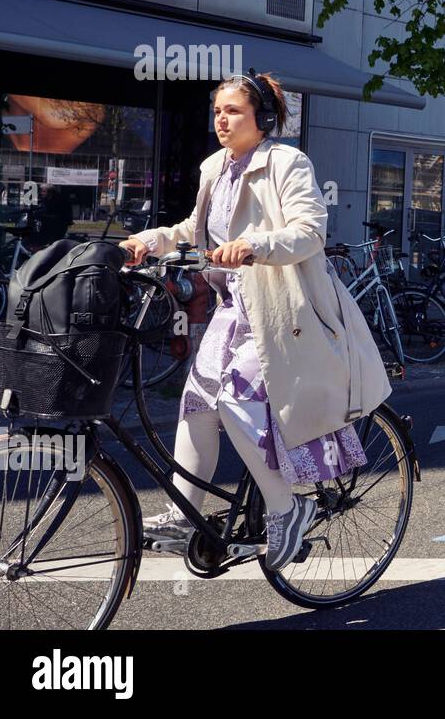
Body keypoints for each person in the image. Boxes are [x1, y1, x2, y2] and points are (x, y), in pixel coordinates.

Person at [119, 73, 392, 571]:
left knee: (235, 401)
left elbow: (309, 231)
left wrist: (255, 245)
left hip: (282, 308)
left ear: (262, 119)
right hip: (232, 307)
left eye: (233, 111)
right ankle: (186, 513)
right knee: (197, 403)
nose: (221, 120)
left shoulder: (287, 162)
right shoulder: (213, 167)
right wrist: (152, 240)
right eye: (217, 110)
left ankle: (289, 508)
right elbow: (194, 231)